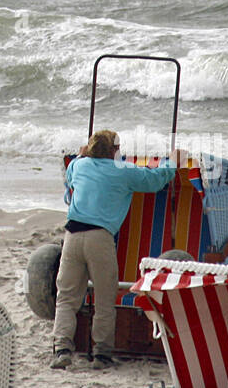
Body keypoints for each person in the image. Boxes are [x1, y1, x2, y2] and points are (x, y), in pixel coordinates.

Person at [50, 130, 180, 370]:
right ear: (112, 151)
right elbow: (155, 180)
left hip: (72, 237)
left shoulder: (80, 166)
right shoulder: (122, 172)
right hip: (100, 238)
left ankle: (62, 350)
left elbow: (70, 176)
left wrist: (80, 156)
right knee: (105, 298)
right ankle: (101, 354)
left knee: (66, 297)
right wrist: (172, 161)